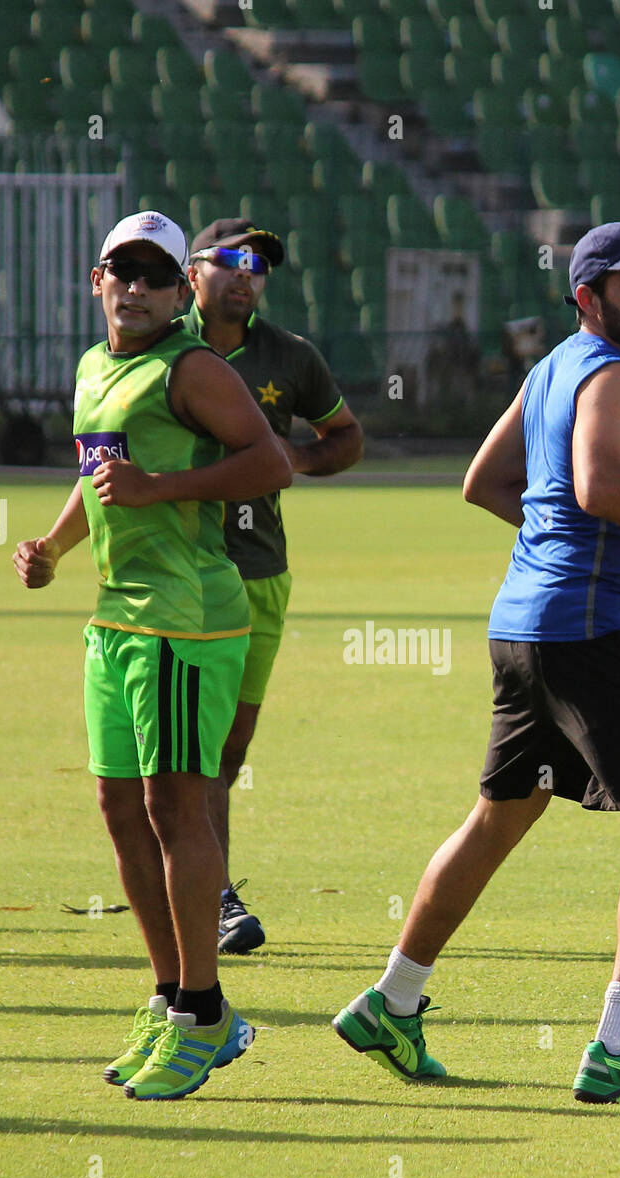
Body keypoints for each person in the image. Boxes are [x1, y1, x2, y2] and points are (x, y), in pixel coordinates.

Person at [332, 222, 620, 1104]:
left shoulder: (551, 369)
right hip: (587, 634)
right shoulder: (613, 375)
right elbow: (597, 486)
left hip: (524, 628)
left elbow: (484, 484)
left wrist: (566, 549)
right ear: (587, 298)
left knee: (500, 819)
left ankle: (392, 999)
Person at [12, 210, 292, 1100]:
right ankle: (175, 996)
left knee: (176, 808)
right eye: (118, 273)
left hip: (186, 619)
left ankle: (204, 1014)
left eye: (152, 277)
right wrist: (57, 546)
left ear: (179, 294)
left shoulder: (193, 368)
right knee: (120, 808)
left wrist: (159, 489)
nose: (133, 289)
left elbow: (272, 462)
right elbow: (98, 473)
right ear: (97, 282)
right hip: (117, 621)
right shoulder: (99, 367)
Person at [185, 217, 364, 955]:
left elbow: (346, 437)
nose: (246, 273)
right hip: (181, 574)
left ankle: (205, 887)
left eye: (257, 263)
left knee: (227, 753)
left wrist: (293, 459)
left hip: (260, 574)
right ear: (193, 271)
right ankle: (213, 898)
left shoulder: (289, 356)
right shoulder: (166, 349)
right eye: (229, 259)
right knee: (185, 750)